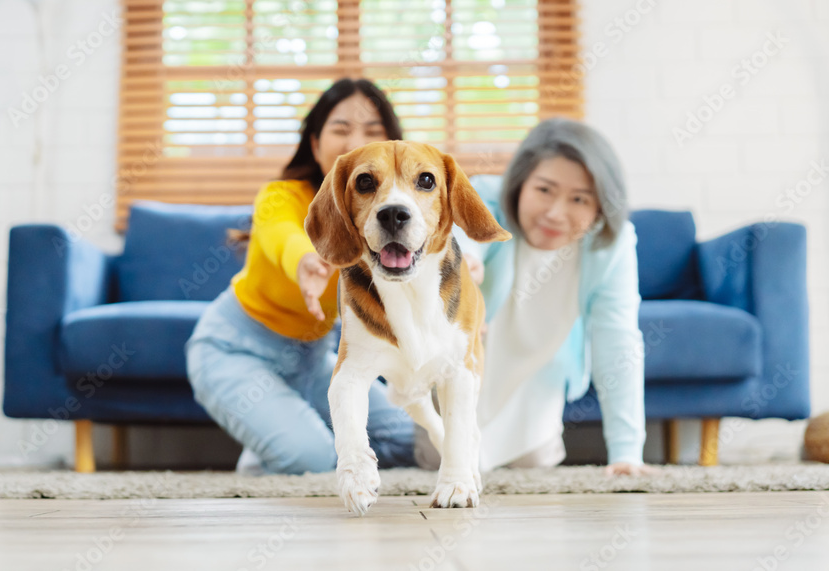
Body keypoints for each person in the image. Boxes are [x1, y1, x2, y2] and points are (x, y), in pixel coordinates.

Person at [184, 78, 418, 475]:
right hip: (232, 352)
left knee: (408, 441)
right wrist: (306, 259)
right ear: (314, 143)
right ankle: (279, 445)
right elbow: (282, 235)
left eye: (372, 131)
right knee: (313, 459)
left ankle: (283, 433)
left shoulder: (392, 219)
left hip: (312, 362)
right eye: (341, 129)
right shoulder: (281, 197)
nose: (356, 143)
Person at [448, 117, 655, 476]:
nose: (556, 213)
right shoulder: (486, 196)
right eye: (544, 190)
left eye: (579, 199)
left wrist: (627, 452)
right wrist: (465, 265)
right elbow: (465, 240)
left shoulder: (612, 245)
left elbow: (618, 340)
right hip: (468, 363)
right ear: (520, 183)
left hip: (541, 374)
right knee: (441, 456)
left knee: (534, 463)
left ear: (600, 205)